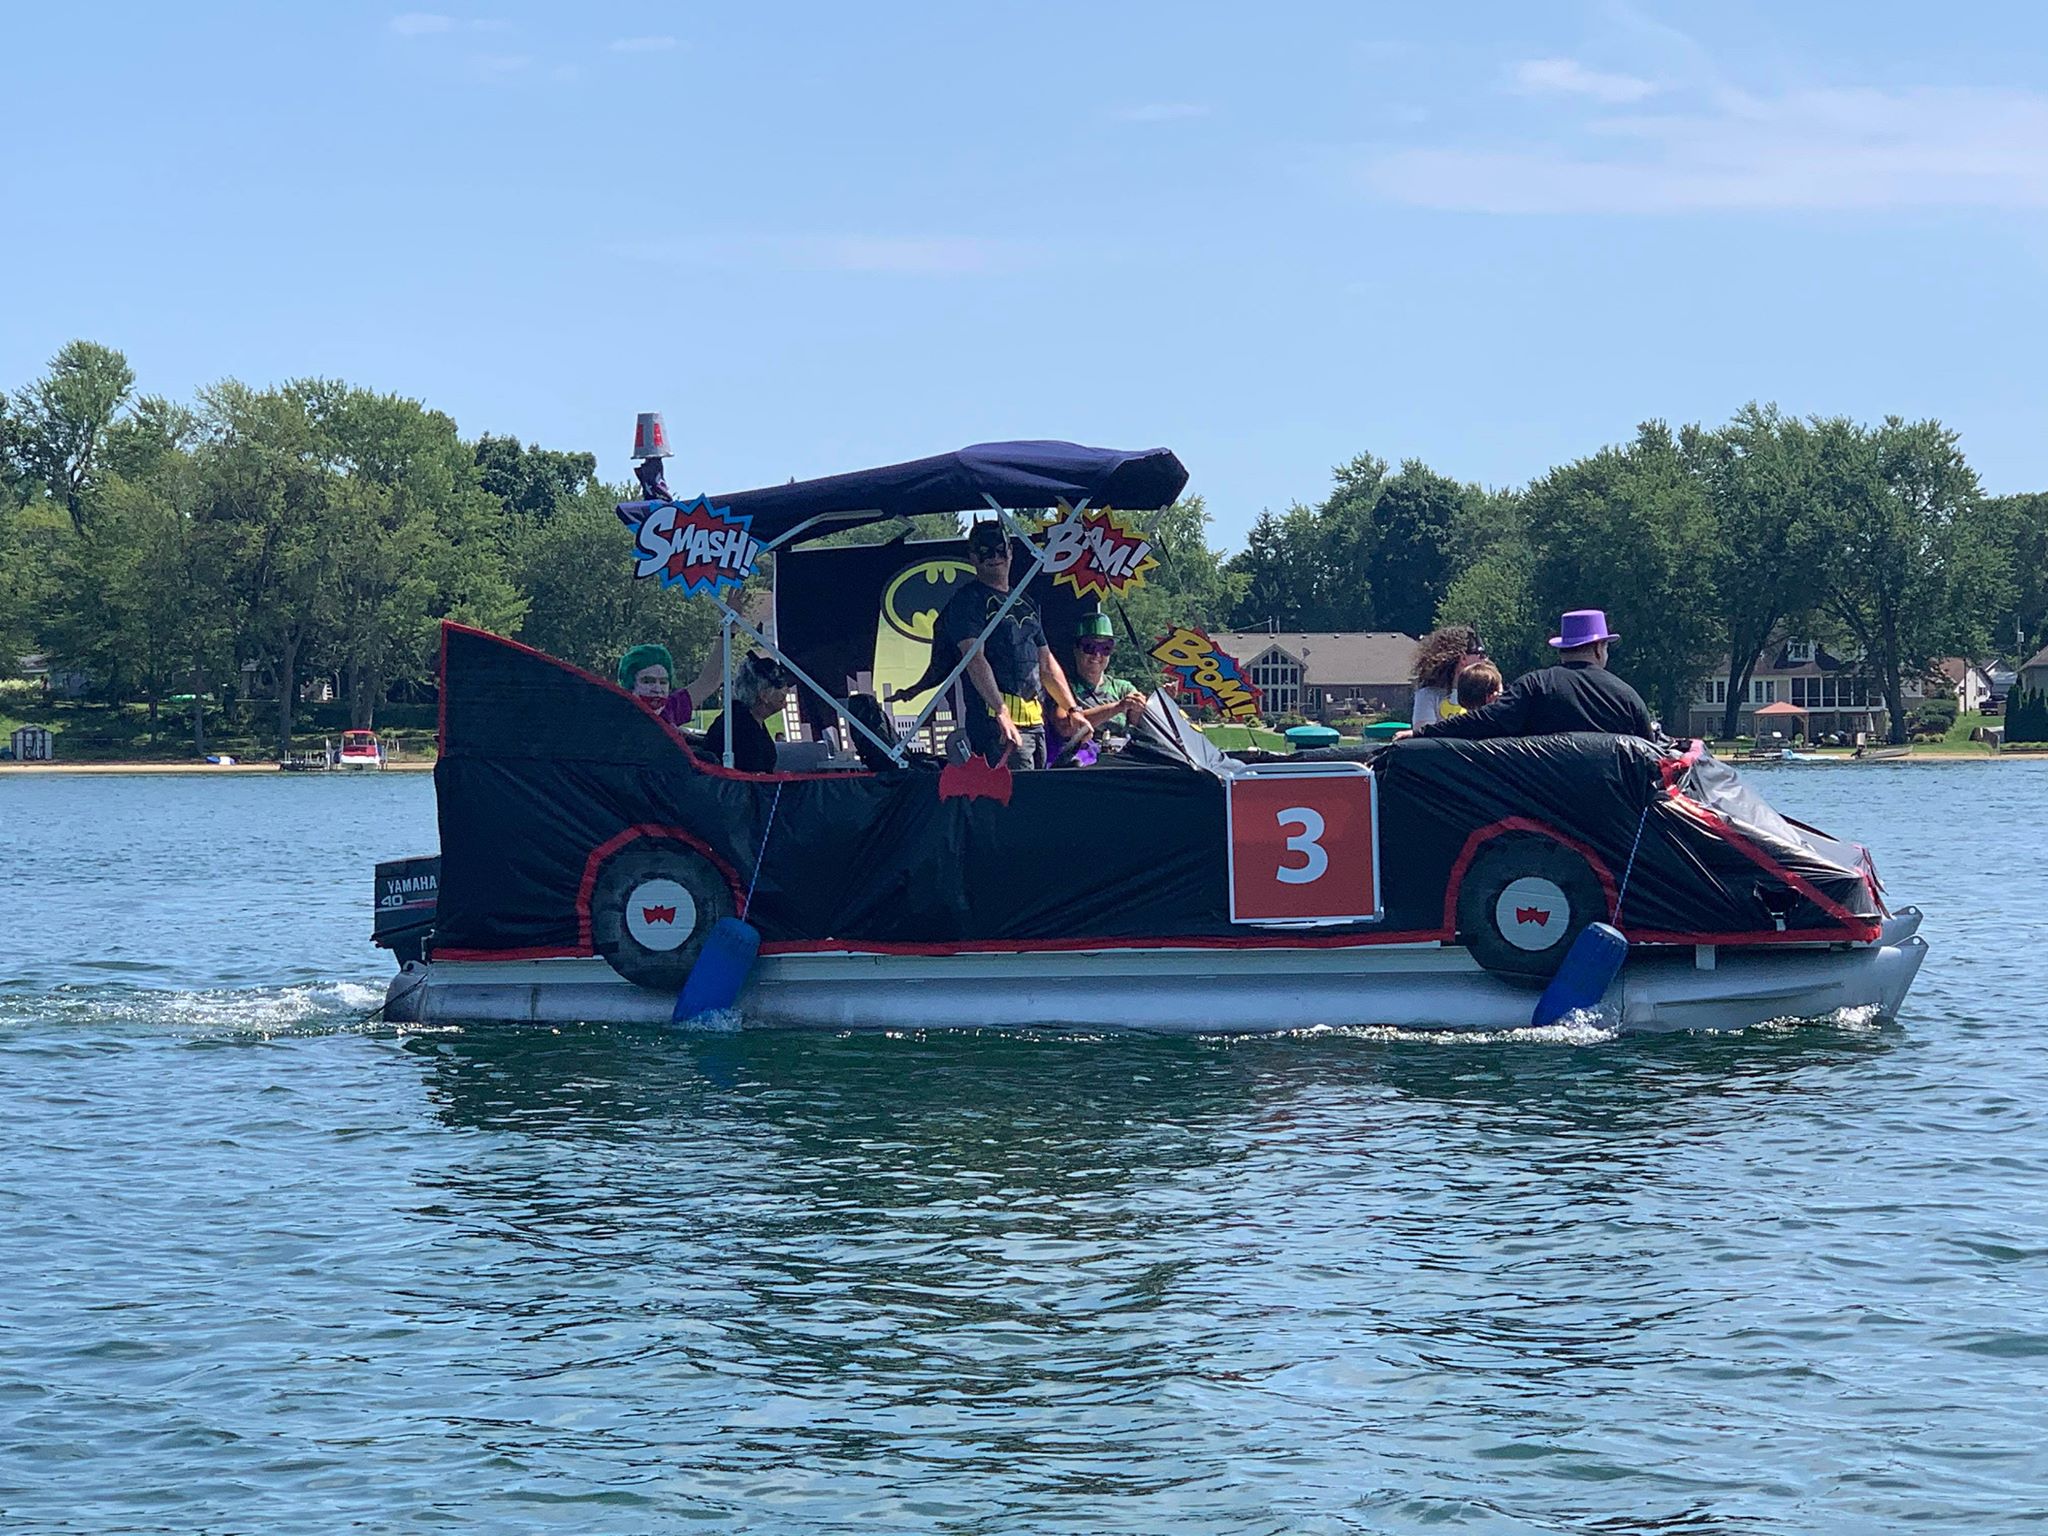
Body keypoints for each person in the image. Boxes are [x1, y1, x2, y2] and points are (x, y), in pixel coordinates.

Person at [931, 520, 1090, 770]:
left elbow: (1046, 663)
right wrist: (1000, 711)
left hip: (1035, 721)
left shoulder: (1025, 601)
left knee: (1036, 796)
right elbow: (974, 658)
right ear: (973, 557)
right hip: (995, 724)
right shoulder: (968, 601)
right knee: (1014, 798)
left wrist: (1073, 709)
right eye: (984, 551)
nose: (994, 557)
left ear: (1010, 551)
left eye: (999, 549)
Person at [1411, 609, 1653, 741]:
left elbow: (1483, 721)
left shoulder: (1535, 686)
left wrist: (1423, 733)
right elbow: (1652, 760)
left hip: (1547, 814)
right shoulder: (1628, 698)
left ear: (1561, 649)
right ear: (1600, 648)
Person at [1064, 613, 1146, 757]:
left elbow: (1140, 725)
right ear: (1076, 648)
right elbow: (1064, 726)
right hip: (1079, 763)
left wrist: (1155, 703)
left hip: (1120, 762)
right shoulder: (1063, 688)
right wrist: (1118, 707)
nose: (1097, 654)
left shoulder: (1123, 688)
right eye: (1090, 647)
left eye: (1106, 648)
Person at [704, 653, 794, 773]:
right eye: (781, 686)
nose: (787, 690)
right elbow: (751, 774)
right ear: (764, 695)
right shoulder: (741, 727)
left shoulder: (745, 718)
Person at [1409, 626, 1485, 727]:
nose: (1485, 660)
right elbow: (1422, 733)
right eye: (1481, 654)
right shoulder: (1428, 695)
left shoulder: (1486, 694)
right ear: (1463, 658)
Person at [618, 642, 695, 729]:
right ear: (630, 685)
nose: (657, 689)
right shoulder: (617, 719)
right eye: (647, 681)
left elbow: (708, 681)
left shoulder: (668, 710)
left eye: (663, 682)